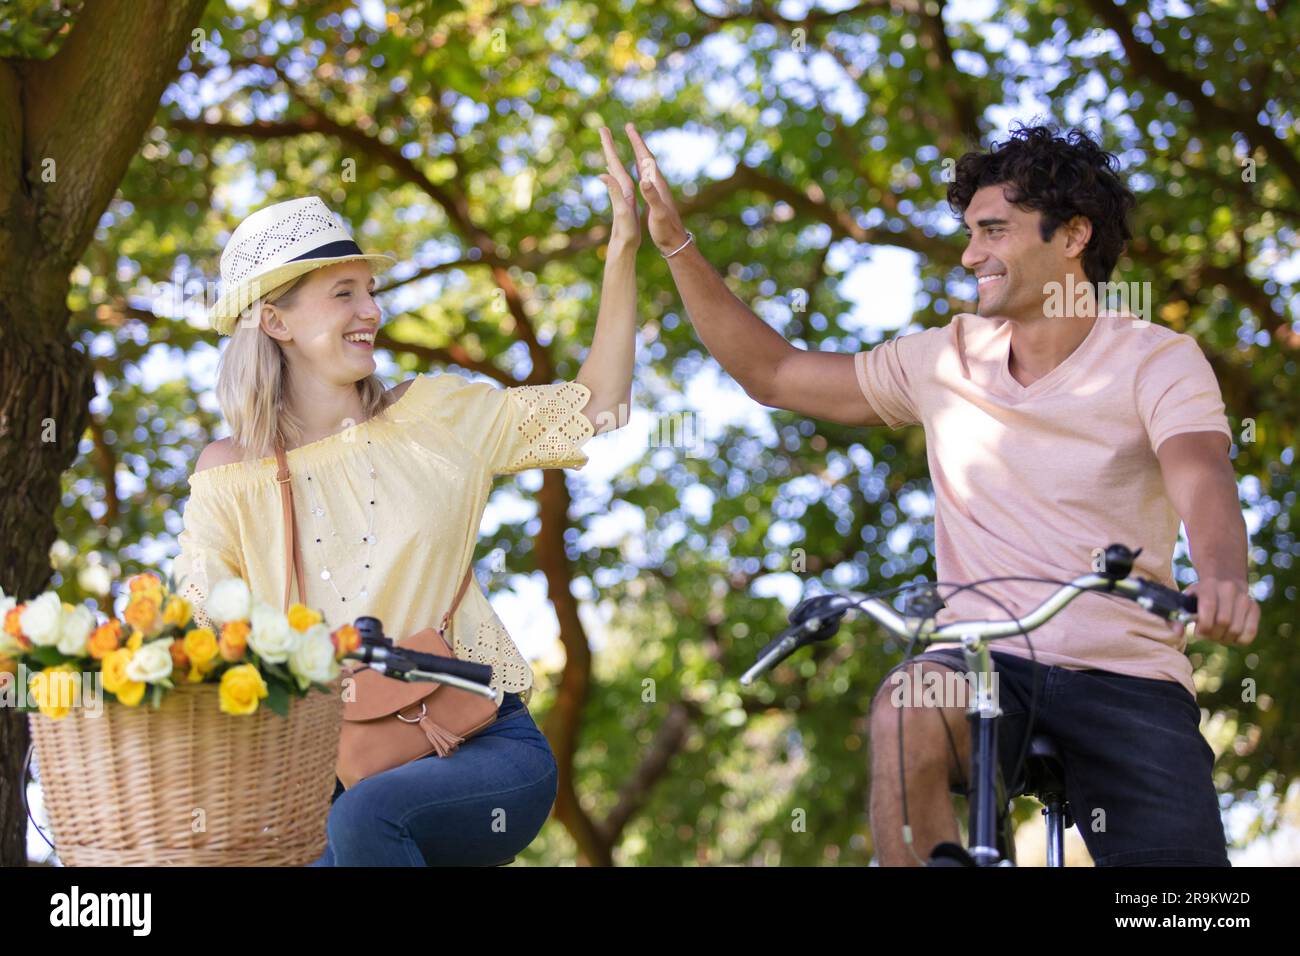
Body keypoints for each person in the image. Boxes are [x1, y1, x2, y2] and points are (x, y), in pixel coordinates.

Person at [626, 120, 1259, 867]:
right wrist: (674, 243)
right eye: (967, 233)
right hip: (981, 664)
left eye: (993, 231)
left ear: (1074, 236)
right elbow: (774, 374)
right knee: (906, 704)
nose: (969, 255)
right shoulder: (944, 359)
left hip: (1128, 676)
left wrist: (1221, 576)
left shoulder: (1158, 359)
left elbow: (1200, 471)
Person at [171, 126, 643, 866]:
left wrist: (623, 250)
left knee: (362, 824)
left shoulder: (434, 416)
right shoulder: (229, 474)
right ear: (276, 320)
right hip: (329, 775)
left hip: (481, 745)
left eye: (371, 291)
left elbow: (595, 408)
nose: (372, 312)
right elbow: (199, 623)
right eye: (343, 294)